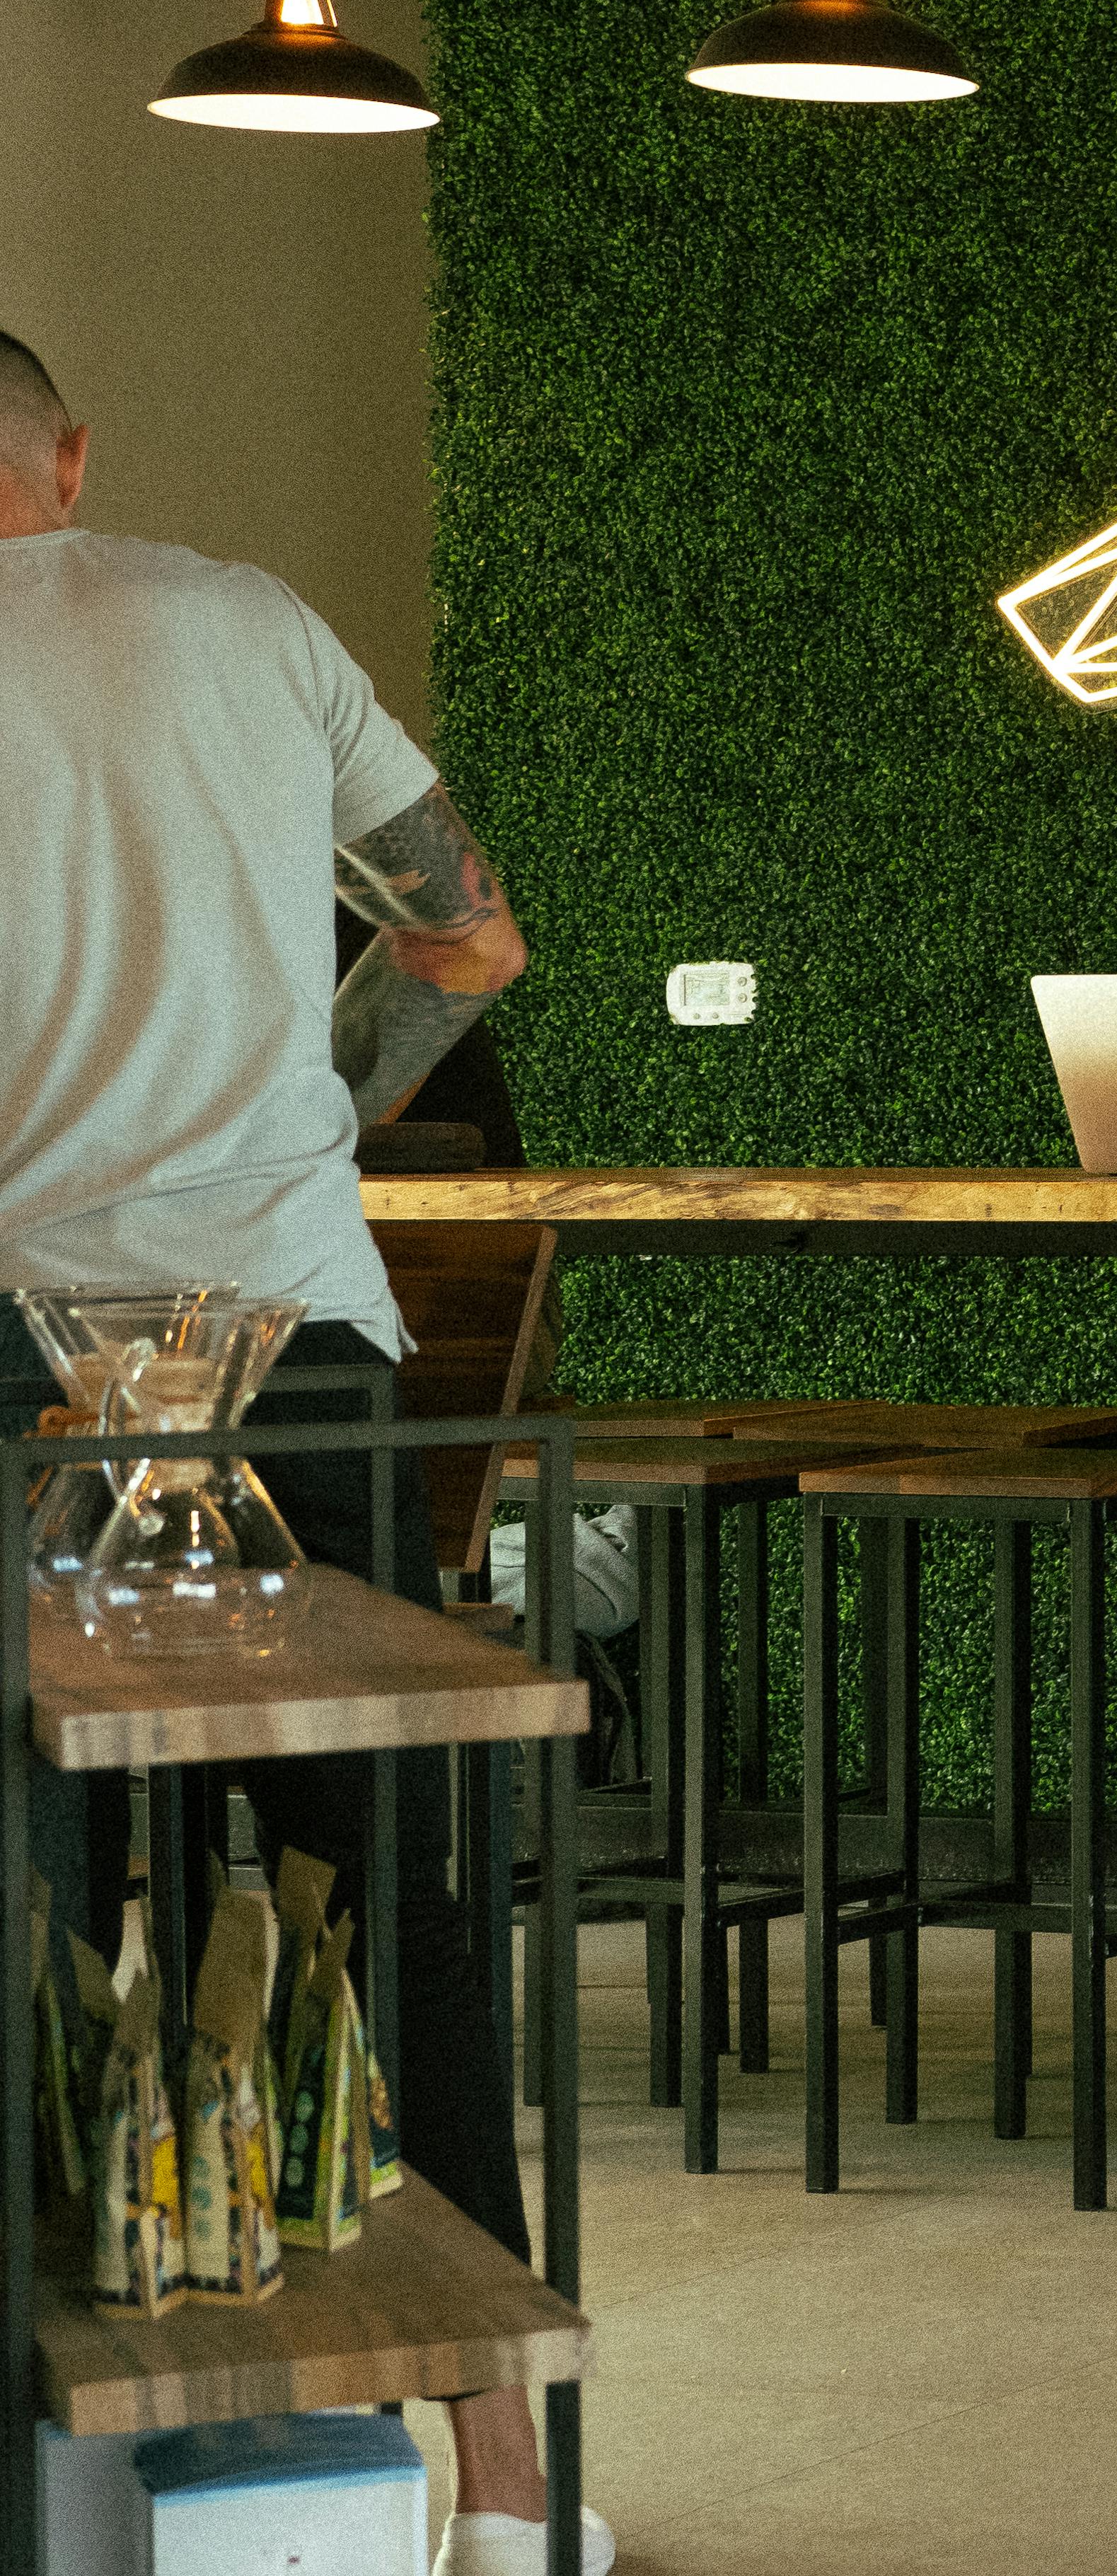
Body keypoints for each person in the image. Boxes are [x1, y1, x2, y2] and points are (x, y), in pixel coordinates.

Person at [0, 331, 607, 2576]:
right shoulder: (250, 619)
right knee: (398, 1893)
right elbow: (467, 935)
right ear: (74, 458)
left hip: (20, 1360)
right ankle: (515, 2496)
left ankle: (81, 2485)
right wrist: (286, 1129)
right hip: (297, 1334)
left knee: (39, 1910)